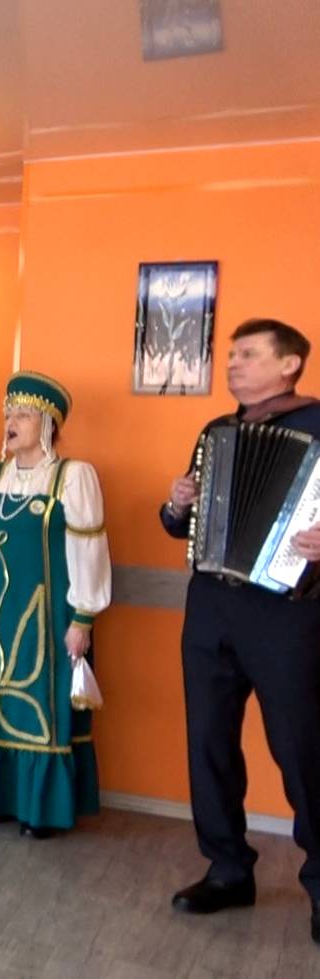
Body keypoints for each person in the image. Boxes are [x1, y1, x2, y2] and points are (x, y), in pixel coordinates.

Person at [162, 319, 320, 943]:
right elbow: (182, 526)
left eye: (248, 354)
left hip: (289, 613)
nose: (232, 363)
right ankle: (228, 870)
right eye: (230, 355)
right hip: (211, 606)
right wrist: (177, 504)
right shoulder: (217, 432)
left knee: (302, 749)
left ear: (289, 364)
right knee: (209, 743)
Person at [0, 372, 109, 837]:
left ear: (48, 424)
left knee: (40, 706)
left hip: (46, 616)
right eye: (9, 414)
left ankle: (41, 810)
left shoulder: (73, 477)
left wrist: (82, 618)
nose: (11, 423)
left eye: (23, 415)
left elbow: (88, 550)